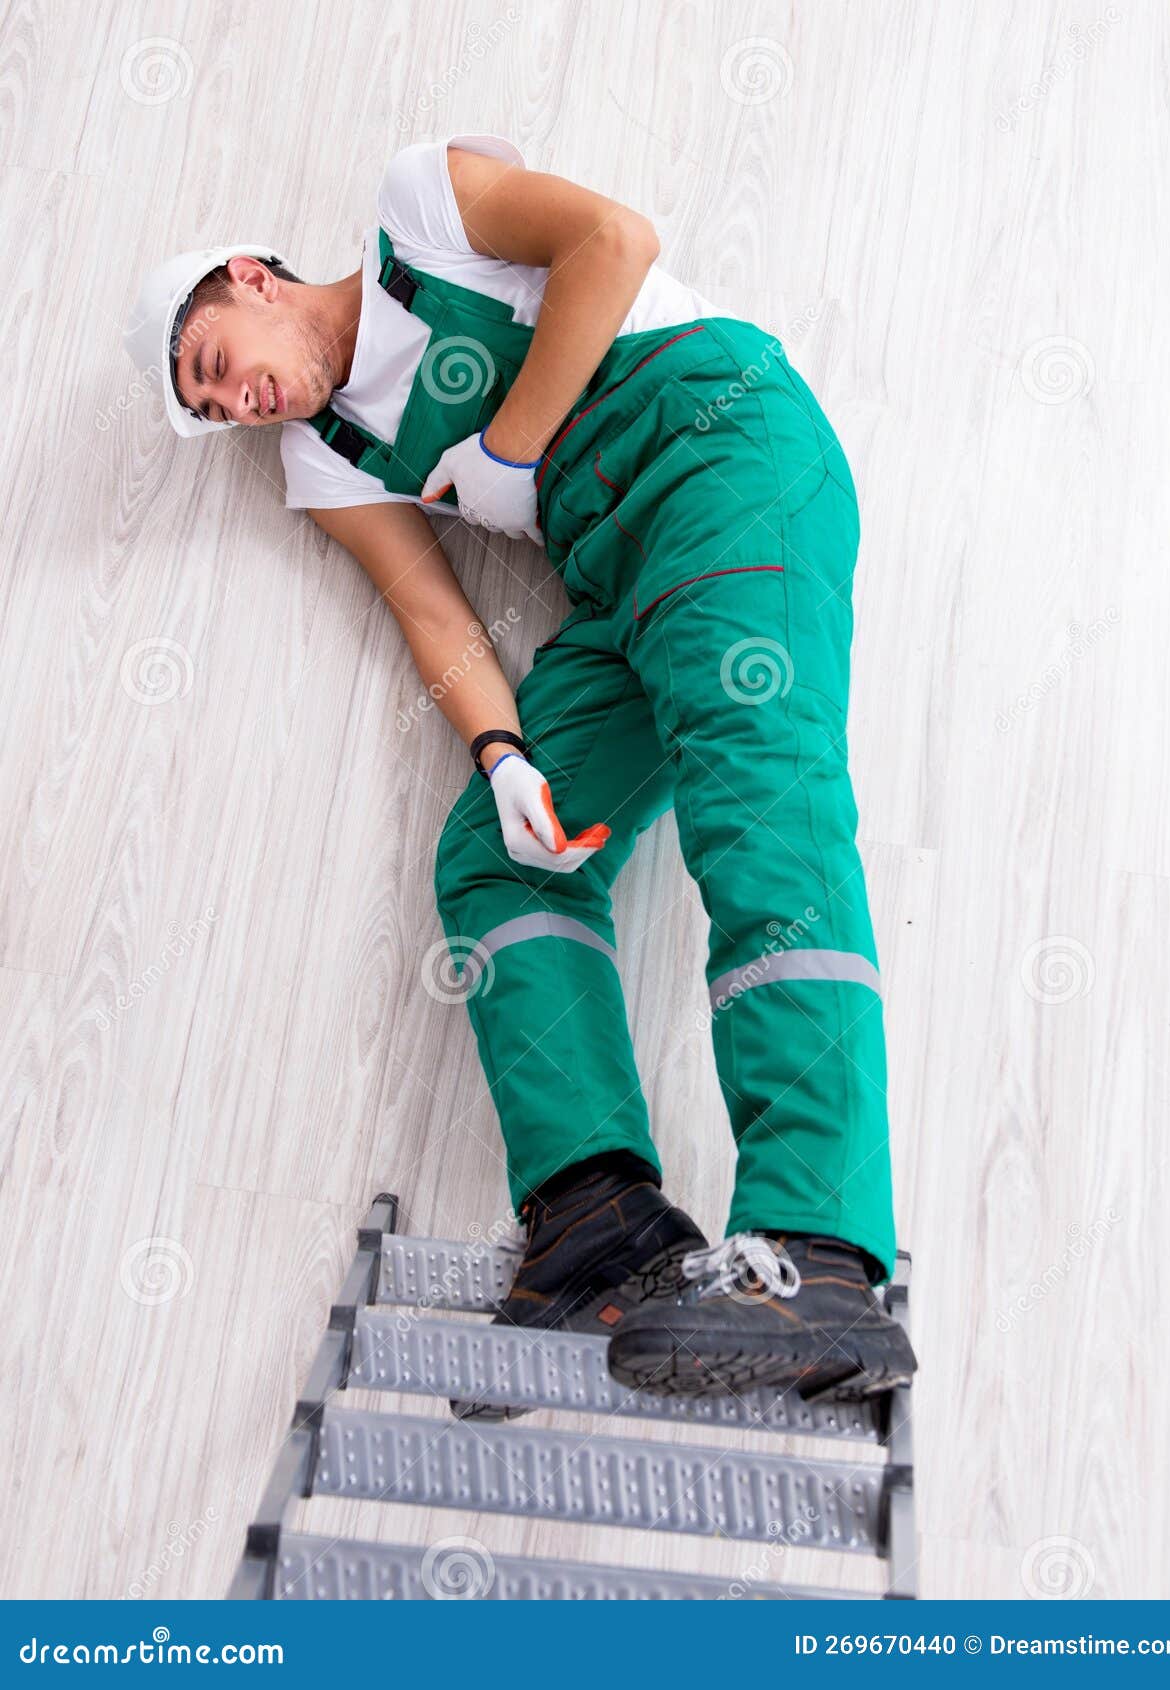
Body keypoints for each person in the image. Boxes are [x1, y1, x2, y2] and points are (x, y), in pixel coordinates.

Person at [125, 132, 916, 1414]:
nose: (237, 402)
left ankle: (821, 1256)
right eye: (213, 411)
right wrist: (500, 755)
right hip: (612, 573)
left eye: (218, 367)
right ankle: (598, 1217)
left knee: (758, 805)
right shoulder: (324, 463)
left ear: (248, 278)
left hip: (721, 456)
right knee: (492, 858)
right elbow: (436, 620)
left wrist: (508, 450)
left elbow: (615, 242)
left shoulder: (422, 208)